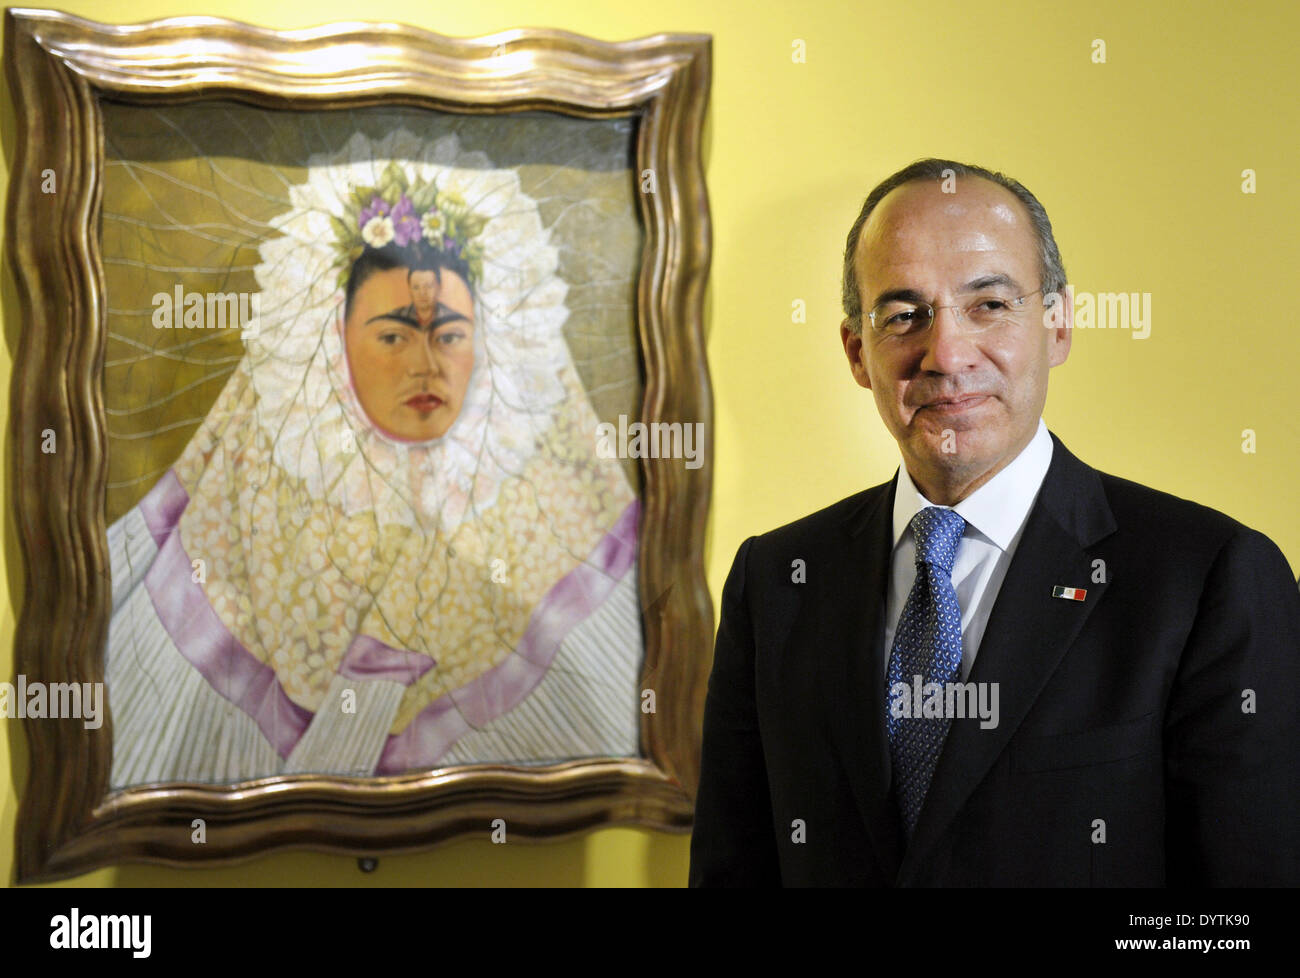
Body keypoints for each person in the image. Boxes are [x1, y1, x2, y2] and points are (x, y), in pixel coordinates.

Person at [689, 158, 1300, 886]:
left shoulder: (1208, 578)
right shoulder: (777, 580)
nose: (946, 355)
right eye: (903, 314)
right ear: (858, 352)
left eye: (989, 305)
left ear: (1059, 325)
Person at [105, 134, 643, 787]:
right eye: (393, 335)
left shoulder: (548, 525)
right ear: (332, 344)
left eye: (449, 335)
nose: (426, 364)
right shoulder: (253, 507)